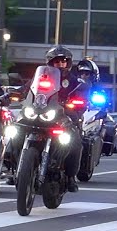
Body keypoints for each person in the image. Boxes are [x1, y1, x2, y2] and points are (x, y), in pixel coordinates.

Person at [44, 46, 88, 192]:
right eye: (56, 61)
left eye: (63, 61)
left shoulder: (75, 82)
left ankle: (70, 176)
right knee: (15, 131)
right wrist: (18, 93)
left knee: (75, 141)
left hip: (66, 116)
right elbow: (28, 89)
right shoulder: (41, 78)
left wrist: (78, 103)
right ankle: (16, 167)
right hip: (42, 114)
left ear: (68, 63)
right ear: (50, 63)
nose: (60, 64)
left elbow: (82, 97)